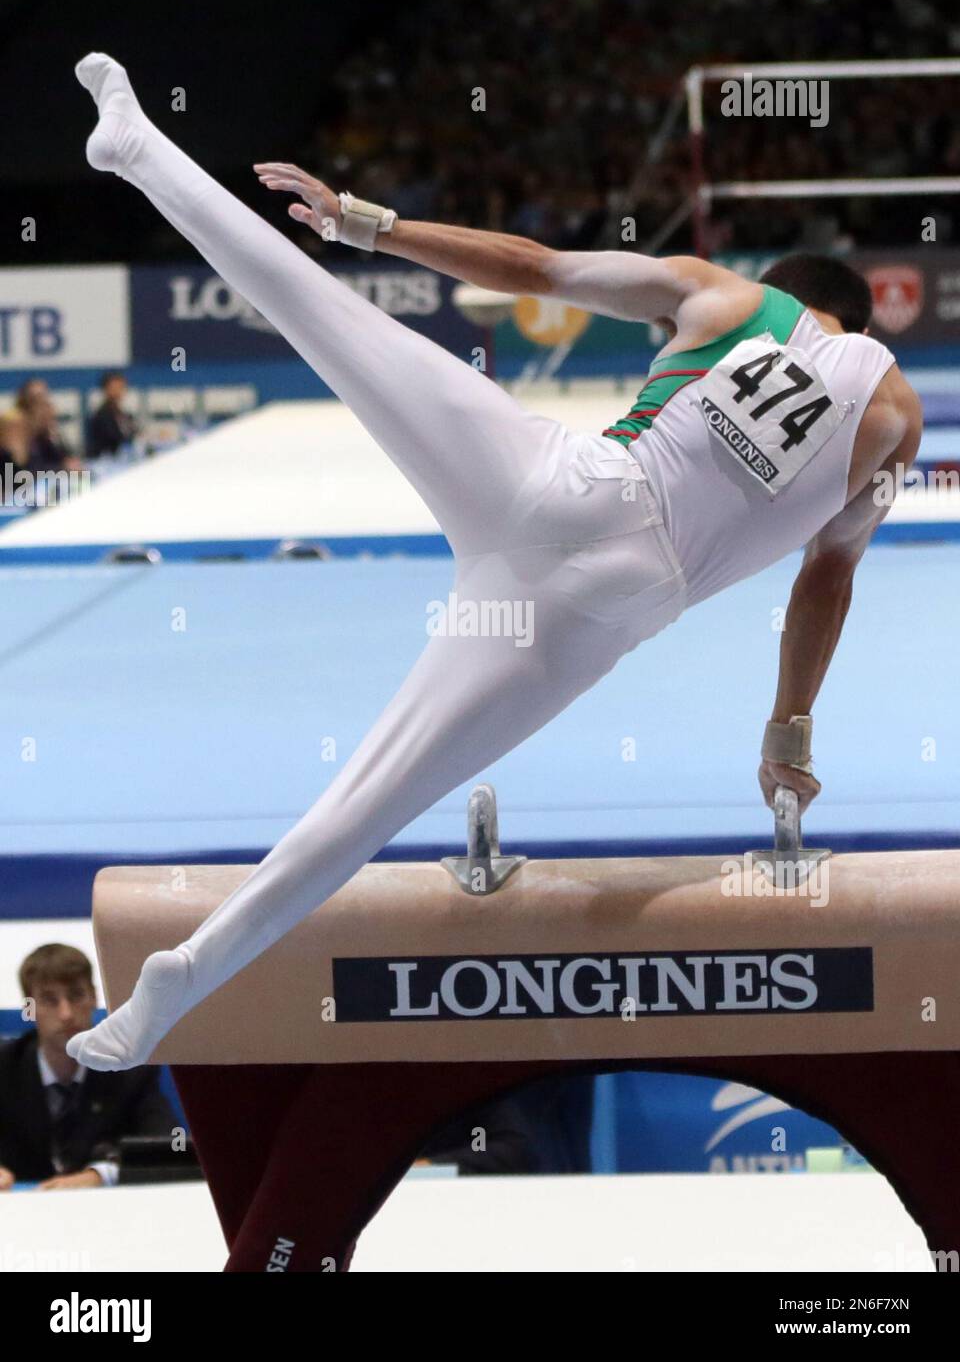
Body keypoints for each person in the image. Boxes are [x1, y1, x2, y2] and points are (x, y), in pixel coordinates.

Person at [67, 54, 921, 1074]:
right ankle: (188, 977)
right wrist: (786, 732)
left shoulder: (722, 294)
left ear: (788, 295)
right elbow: (827, 578)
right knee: (366, 807)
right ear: (863, 329)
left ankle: (137, 148)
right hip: (610, 607)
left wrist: (358, 222)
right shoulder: (894, 419)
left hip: (556, 481)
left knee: (320, 312)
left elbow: (530, 267)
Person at [0, 945, 176, 1189]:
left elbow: (166, 1144)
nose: (66, 1014)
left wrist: (100, 1175)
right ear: (28, 1009)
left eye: (76, 996)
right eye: (50, 1000)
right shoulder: (5, 1066)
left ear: (94, 997)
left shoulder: (129, 1067)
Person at [86, 370, 139, 458]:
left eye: (122, 387)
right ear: (106, 389)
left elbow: (135, 432)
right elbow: (115, 440)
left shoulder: (124, 413)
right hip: (107, 461)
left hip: (124, 457)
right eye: (115, 387)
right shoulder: (101, 416)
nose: (119, 391)